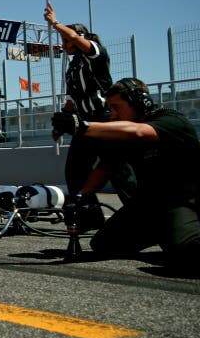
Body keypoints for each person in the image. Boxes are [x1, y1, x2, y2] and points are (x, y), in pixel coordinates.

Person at [52, 78, 200, 270]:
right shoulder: (124, 137)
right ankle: (165, 233)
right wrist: (80, 196)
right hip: (147, 206)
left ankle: (179, 235)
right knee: (102, 245)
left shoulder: (171, 121)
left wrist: (82, 126)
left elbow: (139, 132)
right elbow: (106, 167)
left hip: (182, 202)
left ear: (140, 102)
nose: (112, 114)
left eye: (116, 107)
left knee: (187, 254)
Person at [44, 3, 121, 226]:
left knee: (119, 170)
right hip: (85, 124)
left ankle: (145, 214)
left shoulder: (95, 54)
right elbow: (71, 100)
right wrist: (60, 125)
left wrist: (55, 23)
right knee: (75, 171)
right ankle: (90, 216)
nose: (64, 44)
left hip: (106, 120)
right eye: (63, 41)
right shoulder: (72, 67)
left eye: (68, 40)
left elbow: (79, 41)